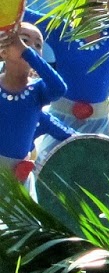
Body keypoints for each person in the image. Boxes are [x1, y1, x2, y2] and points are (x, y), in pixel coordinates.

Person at [0, 23, 69, 181]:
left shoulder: (37, 91)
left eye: (37, 45)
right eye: (24, 40)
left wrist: (26, 53)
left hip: (16, 183)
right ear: (3, 51)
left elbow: (59, 89)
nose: (30, 48)